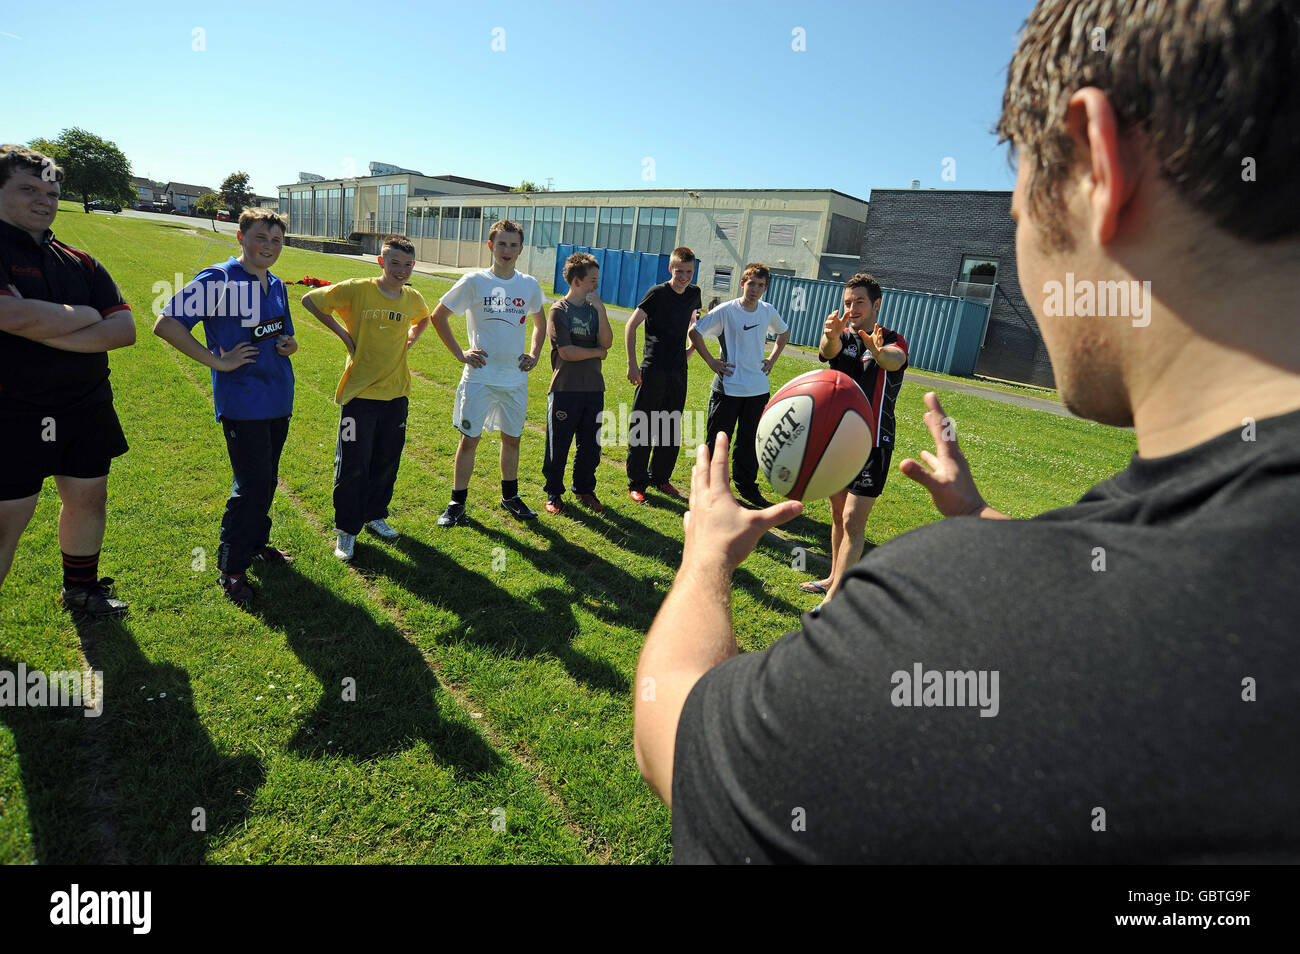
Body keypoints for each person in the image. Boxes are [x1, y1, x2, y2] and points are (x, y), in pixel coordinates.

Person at [634, 0, 1300, 863]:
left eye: (1022, 198)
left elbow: (684, 739)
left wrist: (704, 562)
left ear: (1098, 163)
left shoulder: (948, 631)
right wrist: (995, 532)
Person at [0, 144, 136, 616]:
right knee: (7, 518)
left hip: (85, 405)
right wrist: (83, 316)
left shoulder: (80, 260)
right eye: (28, 189)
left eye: (52, 192)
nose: (45, 200)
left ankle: (80, 589)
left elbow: (123, 330)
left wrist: (40, 325)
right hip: (11, 409)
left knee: (88, 500)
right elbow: (6, 312)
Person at [153, 208, 298, 606]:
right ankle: (232, 568)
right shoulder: (218, 278)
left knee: (266, 480)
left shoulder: (277, 283)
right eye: (260, 238)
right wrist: (219, 361)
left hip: (277, 398)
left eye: (276, 240)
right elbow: (166, 323)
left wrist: (290, 344)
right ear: (240, 238)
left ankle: (255, 545)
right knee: (250, 486)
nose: (268, 247)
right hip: (243, 403)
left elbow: (284, 334)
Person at [300, 234, 429, 560]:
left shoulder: (411, 298)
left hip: (397, 395)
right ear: (381, 262)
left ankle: (375, 515)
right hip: (359, 397)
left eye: (407, 265)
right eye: (394, 263)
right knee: (353, 464)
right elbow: (311, 300)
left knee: (386, 461)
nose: (401, 270)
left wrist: (411, 338)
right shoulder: (358, 289)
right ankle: (346, 530)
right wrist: (345, 336)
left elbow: (424, 317)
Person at [410, 219, 545, 526]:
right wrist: (460, 353)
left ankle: (511, 497)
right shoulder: (474, 281)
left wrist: (534, 354)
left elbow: (540, 322)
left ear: (521, 249)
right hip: (480, 378)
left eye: (513, 245)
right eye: (501, 244)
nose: (507, 250)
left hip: (515, 379)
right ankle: (457, 503)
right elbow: (438, 316)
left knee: (513, 440)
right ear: (490, 246)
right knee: (469, 440)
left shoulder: (529, 285)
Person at [800, 273, 907, 599]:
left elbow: (894, 361)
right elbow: (827, 349)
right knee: (837, 514)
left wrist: (877, 351)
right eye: (847, 302)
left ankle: (835, 599)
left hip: (874, 444)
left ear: (876, 303)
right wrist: (830, 336)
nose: (852, 307)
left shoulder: (891, 338)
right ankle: (833, 577)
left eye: (859, 301)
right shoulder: (842, 337)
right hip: (838, 441)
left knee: (852, 520)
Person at [688, 263, 789, 509]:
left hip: (757, 389)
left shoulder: (767, 311)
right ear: (742, 283)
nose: (754, 289)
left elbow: (783, 333)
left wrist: (771, 361)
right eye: (751, 283)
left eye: (760, 285)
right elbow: (695, 331)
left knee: (750, 441)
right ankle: (710, 487)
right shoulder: (726, 310)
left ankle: (747, 487)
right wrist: (712, 361)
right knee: (718, 439)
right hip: (728, 388)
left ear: (765, 288)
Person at [624, 247, 702, 503]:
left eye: (688, 271)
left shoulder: (694, 293)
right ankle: (637, 482)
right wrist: (633, 365)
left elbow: (692, 323)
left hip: (678, 371)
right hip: (653, 367)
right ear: (671, 269)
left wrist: (689, 350)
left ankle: (660, 477)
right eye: (679, 271)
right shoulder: (657, 293)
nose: (684, 276)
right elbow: (631, 325)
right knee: (644, 426)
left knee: (670, 427)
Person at [542, 252, 612, 514]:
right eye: (592, 280)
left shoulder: (595, 310)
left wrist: (602, 311)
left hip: (594, 388)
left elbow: (607, 342)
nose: (596, 285)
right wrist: (595, 353)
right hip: (565, 389)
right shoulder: (559, 310)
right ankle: (553, 493)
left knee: (590, 446)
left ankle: (584, 489)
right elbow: (567, 353)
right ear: (576, 282)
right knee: (558, 445)